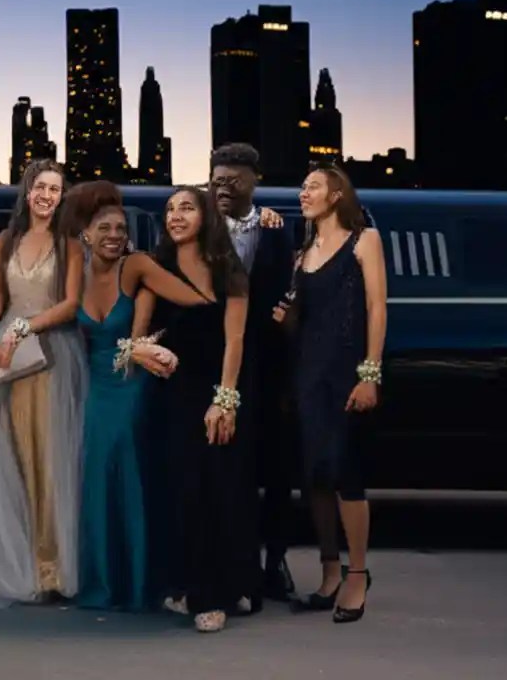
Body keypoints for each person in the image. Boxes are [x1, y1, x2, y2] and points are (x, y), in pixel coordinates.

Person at [0, 159, 88, 607]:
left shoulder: (70, 245)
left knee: (50, 461)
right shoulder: (6, 241)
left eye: (55, 189)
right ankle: (22, 566)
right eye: (40, 187)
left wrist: (27, 328)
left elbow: (70, 304)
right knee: (11, 460)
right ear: (27, 192)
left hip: (52, 356)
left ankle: (54, 570)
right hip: (6, 358)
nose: (47, 196)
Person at [72, 181, 206, 612]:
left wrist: (151, 341)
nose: (114, 235)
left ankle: (140, 581)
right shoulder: (76, 274)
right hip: (95, 390)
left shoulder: (137, 266)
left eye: (121, 229)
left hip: (132, 387)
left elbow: (198, 299)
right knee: (97, 478)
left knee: (131, 472)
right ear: (85, 235)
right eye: (104, 228)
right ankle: (103, 581)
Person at [136, 186, 255, 633]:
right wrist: (144, 351)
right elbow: (138, 337)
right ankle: (192, 587)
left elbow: (235, 339)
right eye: (170, 209)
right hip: (172, 397)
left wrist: (224, 400)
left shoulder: (228, 268)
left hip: (218, 391)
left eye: (186, 207)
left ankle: (221, 591)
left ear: (205, 216)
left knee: (221, 491)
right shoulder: (156, 268)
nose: (176, 216)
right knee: (184, 492)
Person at [279, 165, 386, 624]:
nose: (303, 194)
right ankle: (329, 573)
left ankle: (357, 574)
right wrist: (285, 318)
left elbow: (376, 306)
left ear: (337, 193)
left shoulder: (364, 240)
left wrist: (370, 373)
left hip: (346, 372)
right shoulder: (302, 253)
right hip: (308, 374)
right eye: (302, 188)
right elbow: (300, 322)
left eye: (313, 186)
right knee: (315, 476)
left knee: (346, 473)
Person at [210, 143, 296, 605]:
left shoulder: (277, 230)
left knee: (276, 468)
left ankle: (274, 562)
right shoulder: (198, 226)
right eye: (217, 179)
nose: (224, 187)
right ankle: (230, 564)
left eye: (233, 180)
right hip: (214, 363)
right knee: (227, 468)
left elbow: (289, 292)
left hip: (266, 365)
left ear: (254, 181)